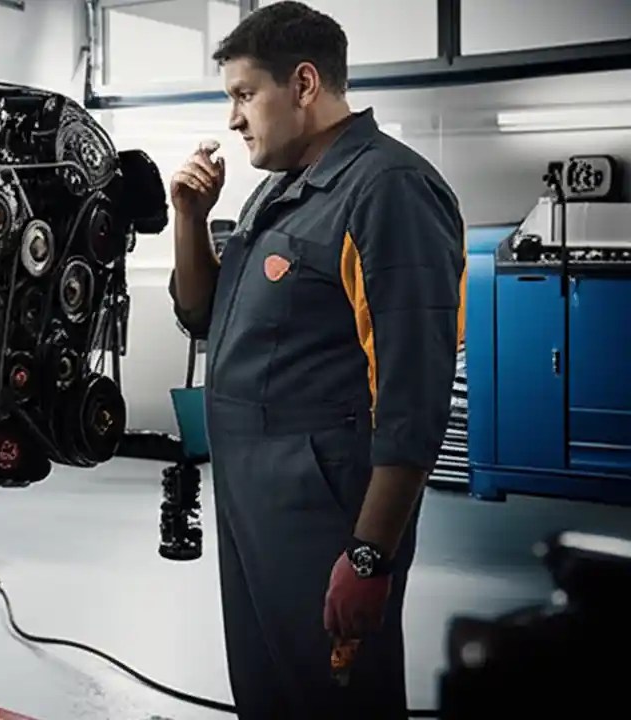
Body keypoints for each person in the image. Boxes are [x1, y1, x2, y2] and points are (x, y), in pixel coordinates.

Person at [167, 2, 465, 718]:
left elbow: (413, 395)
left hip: (323, 509)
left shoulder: (386, 190)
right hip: (254, 501)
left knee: (332, 697)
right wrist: (188, 218)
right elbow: (200, 315)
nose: (234, 118)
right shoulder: (281, 191)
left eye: (244, 95)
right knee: (268, 688)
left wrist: (369, 554)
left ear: (303, 84)